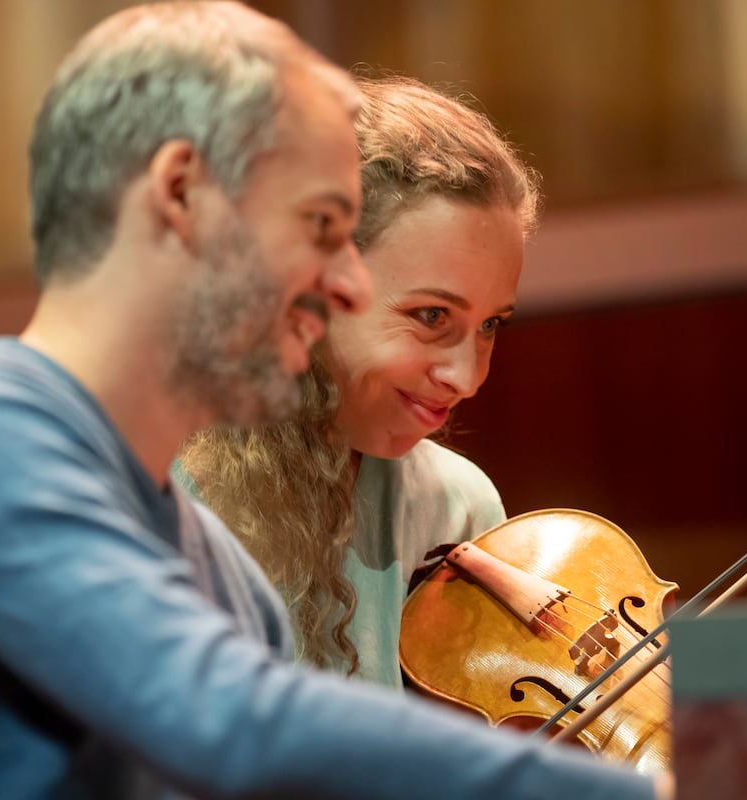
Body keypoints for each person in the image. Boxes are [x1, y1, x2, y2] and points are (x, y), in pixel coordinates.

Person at [0, 3, 665, 799]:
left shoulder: (210, 559)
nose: (342, 283)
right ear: (183, 199)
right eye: (320, 228)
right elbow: (226, 721)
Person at [178, 75, 533, 686]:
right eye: (431, 317)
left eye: (491, 325)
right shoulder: (155, 494)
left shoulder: (458, 508)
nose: (468, 377)